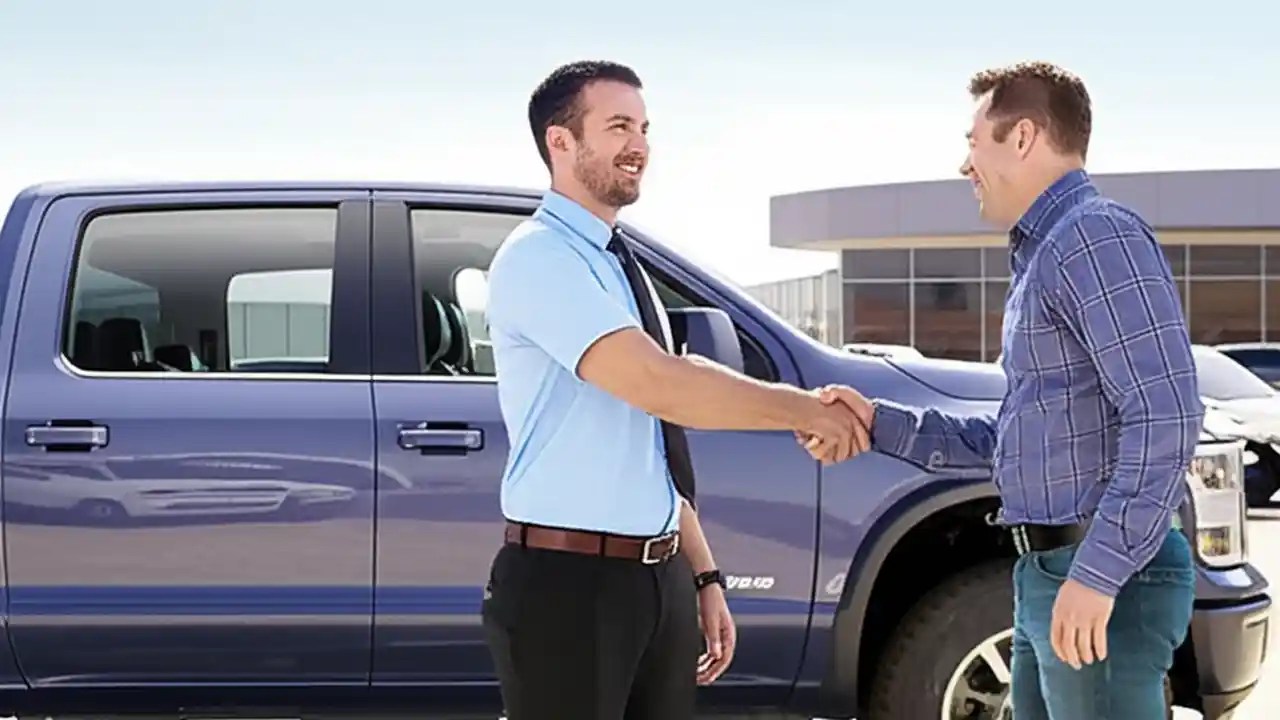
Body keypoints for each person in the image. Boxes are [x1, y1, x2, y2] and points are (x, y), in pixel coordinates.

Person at [480, 59, 872, 720]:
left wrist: (702, 574)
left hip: (653, 581)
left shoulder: (617, 264)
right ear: (561, 142)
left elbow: (653, 441)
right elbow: (659, 386)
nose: (639, 145)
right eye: (617, 127)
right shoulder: (540, 258)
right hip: (570, 589)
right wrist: (804, 410)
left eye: (643, 127)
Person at [813, 61, 1203, 718]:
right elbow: (1018, 443)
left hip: (1100, 572)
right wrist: (876, 422)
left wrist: (1098, 572)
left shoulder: (1093, 235)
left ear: (1022, 138)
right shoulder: (1047, 252)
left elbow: (1166, 412)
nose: (965, 164)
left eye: (974, 141)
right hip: (1048, 572)